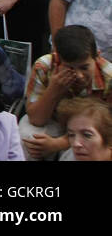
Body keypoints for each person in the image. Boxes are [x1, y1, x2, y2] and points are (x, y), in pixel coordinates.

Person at [20, 25, 112, 160]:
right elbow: (36, 120)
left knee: (75, 155)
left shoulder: (109, 76)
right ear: (57, 60)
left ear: (97, 56)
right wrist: (54, 90)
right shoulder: (44, 66)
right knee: (28, 140)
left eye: (84, 67)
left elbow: (107, 129)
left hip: (89, 131)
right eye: (70, 68)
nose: (79, 75)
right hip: (52, 122)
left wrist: (59, 144)